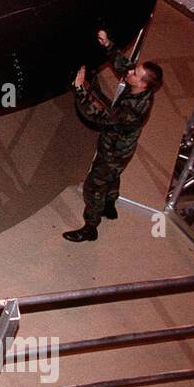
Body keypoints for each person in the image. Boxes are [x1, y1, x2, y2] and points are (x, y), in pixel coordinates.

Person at [63, 30, 164, 243]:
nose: (129, 73)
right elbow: (123, 65)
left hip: (114, 151)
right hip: (122, 149)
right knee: (113, 176)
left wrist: (80, 89)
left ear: (143, 84)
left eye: (135, 74)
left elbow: (97, 116)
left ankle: (90, 228)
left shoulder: (132, 111)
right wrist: (108, 44)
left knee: (94, 186)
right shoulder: (143, 90)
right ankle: (110, 204)